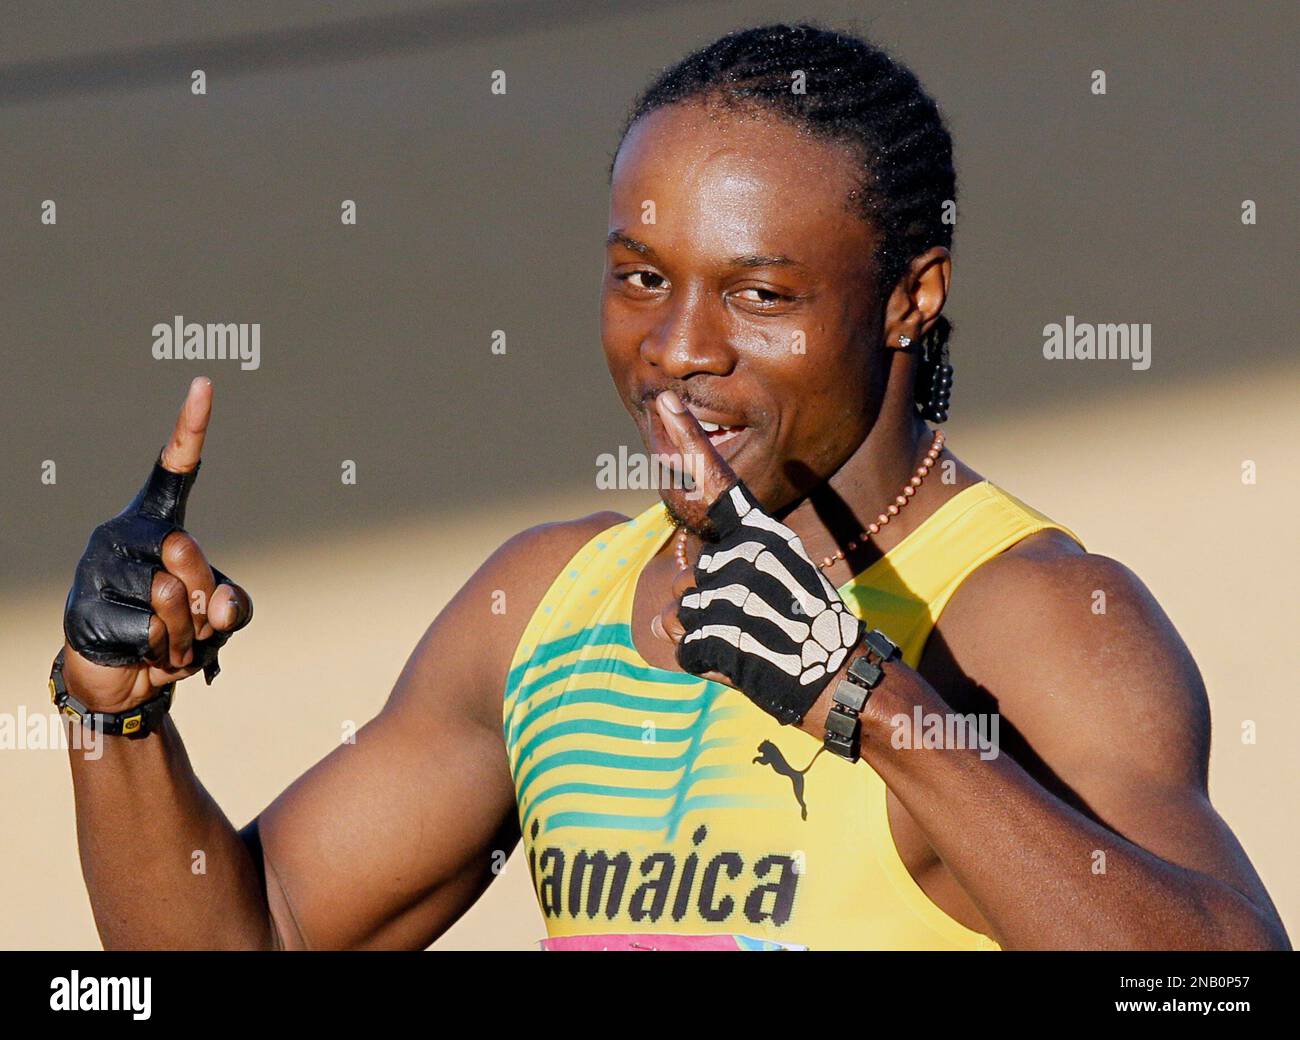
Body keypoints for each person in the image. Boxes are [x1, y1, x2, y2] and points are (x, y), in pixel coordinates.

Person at [55, 23, 1288, 951]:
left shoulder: (1035, 619)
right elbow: (249, 934)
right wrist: (114, 716)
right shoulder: (548, 601)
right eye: (641, 278)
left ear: (911, 296)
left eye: (758, 294)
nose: (678, 347)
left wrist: (871, 702)